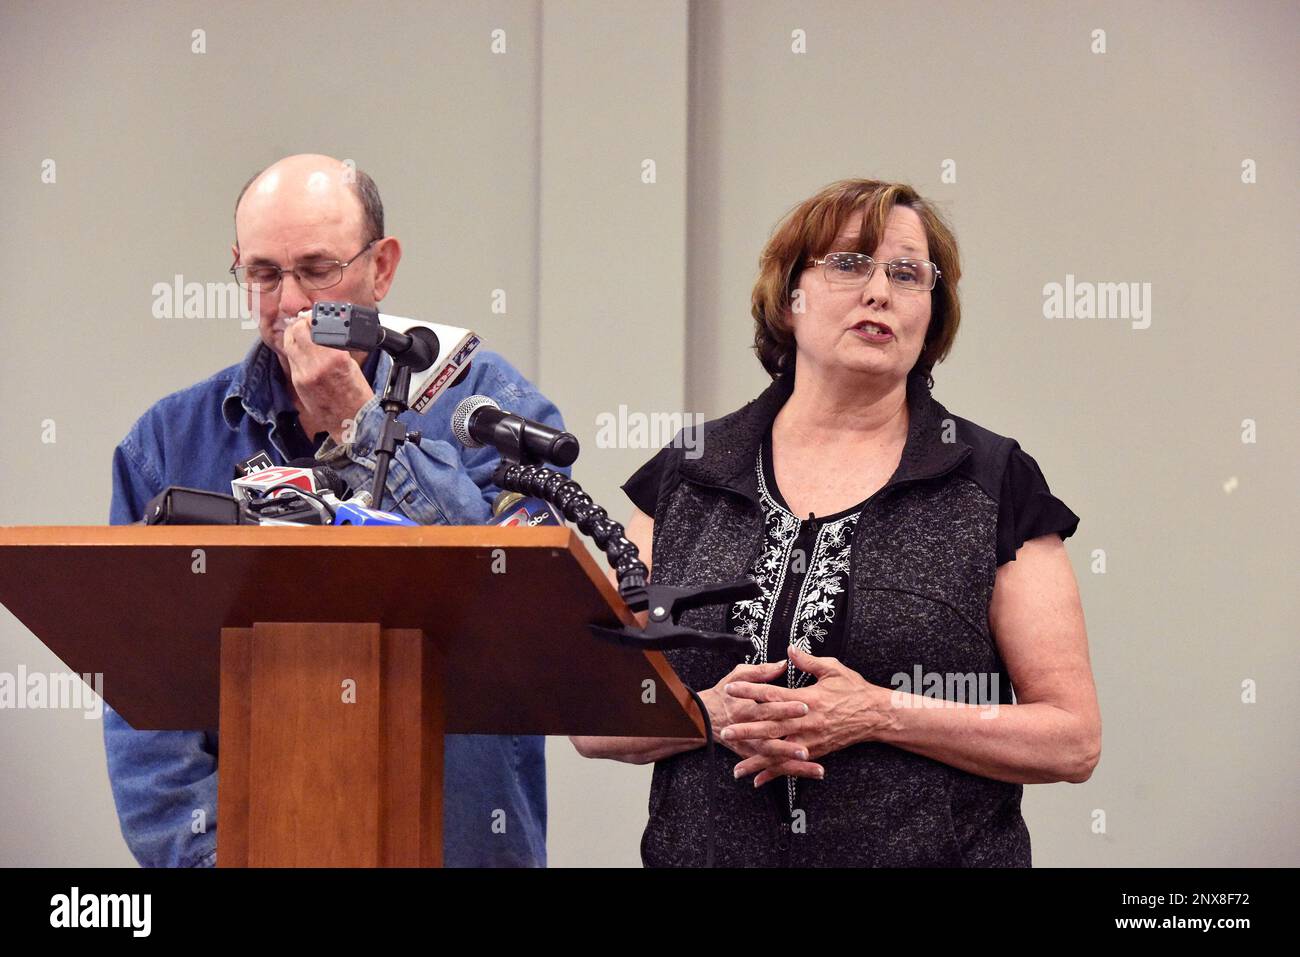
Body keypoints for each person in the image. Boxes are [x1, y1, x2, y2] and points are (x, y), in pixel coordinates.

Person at [571, 178, 1101, 867]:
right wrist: (706, 713)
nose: (879, 291)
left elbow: (1071, 737)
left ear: (930, 314)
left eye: (908, 273)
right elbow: (591, 715)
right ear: (789, 299)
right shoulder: (690, 474)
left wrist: (882, 711)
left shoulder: (993, 481)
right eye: (849, 263)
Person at [104, 154, 556, 867]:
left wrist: (360, 423)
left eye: (317, 270)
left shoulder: (486, 405)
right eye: (262, 273)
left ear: (381, 267)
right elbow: (143, 705)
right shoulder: (166, 443)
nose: (288, 303)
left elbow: (507, 602)